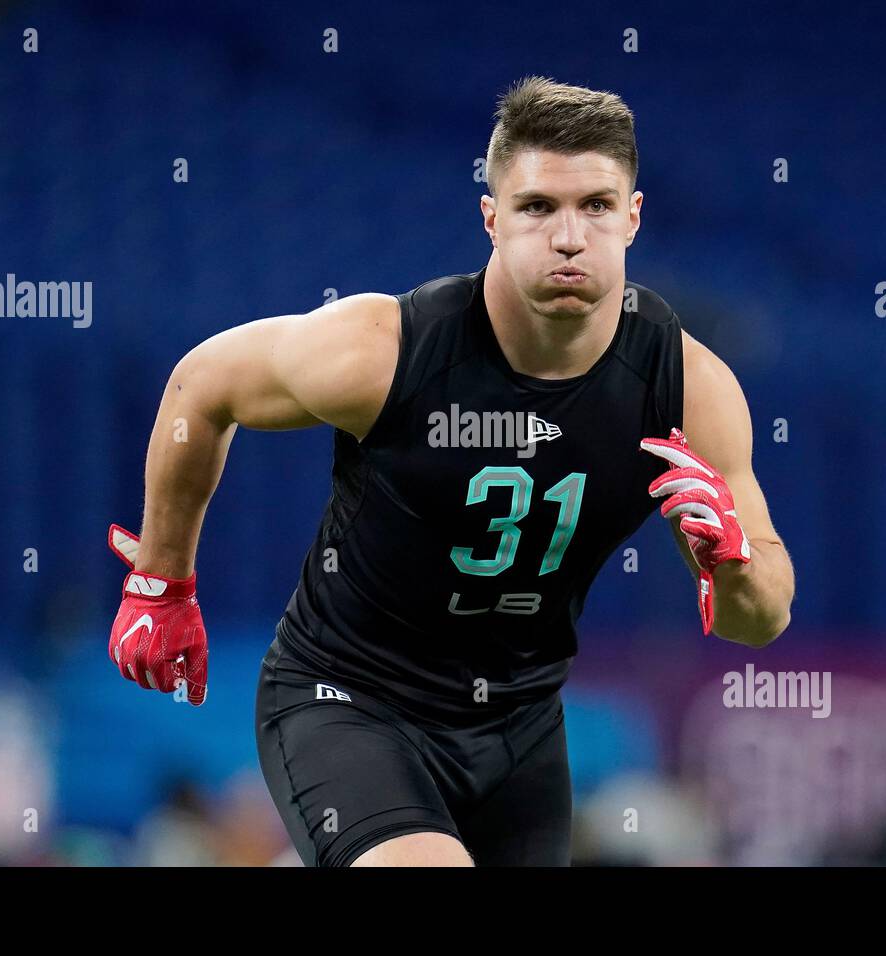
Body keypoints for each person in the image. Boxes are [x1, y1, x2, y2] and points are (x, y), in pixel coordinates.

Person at [105, 76, 795, 866]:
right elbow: (204, 383)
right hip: (351, 701)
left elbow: (760, 619)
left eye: (597, 206)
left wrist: (732, 566)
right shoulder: (386, 349)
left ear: (633, 218)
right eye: (538, 207)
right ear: (492, 219)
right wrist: (161, 578)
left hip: (521, 727)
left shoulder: (687, 388)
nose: (569, 235)